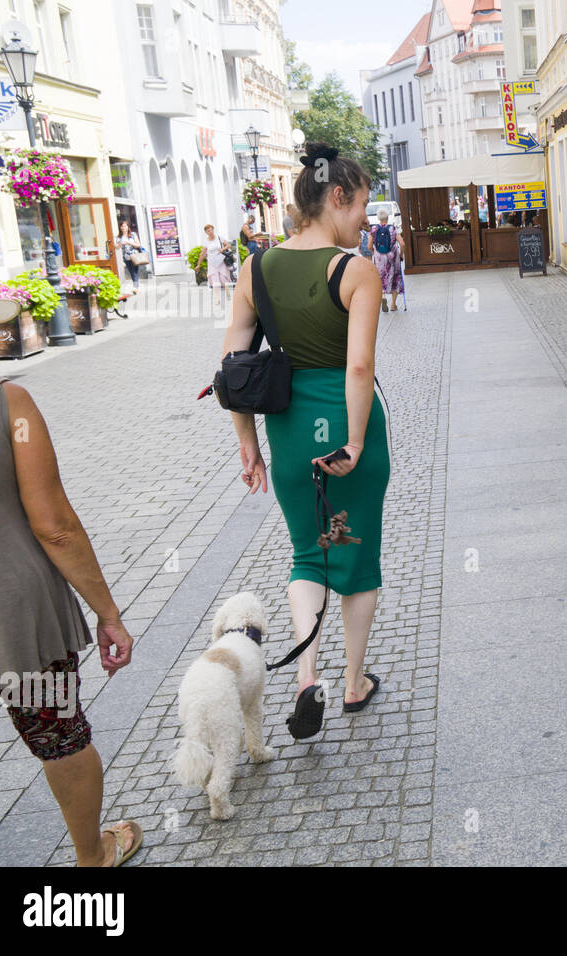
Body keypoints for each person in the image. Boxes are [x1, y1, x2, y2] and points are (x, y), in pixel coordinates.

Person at [220, 141, 389, 741]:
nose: (366, 220)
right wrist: (357, 443)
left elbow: (234, 365)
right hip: (344, 426)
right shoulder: (355, 270)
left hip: (289, 431)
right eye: (362, 205)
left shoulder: (254, 269)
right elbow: (359, 369)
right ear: (336, 197)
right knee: (354, 553)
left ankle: (305, 677)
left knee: (307, 553)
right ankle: (353, 682)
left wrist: (249, 443)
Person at [0, 368, 140, 866]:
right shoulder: (5, 402)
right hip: (11, 607)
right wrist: (107, 613)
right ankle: (93, 857)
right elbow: (55, 527)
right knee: (57, 733)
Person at [370, 208, 403, 312]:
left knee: (380, 278)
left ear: (378, 218)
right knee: (395, 278)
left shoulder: (374, 229)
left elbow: (368, 245)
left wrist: (374, 253)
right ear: (388, 217)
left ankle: (383, 297)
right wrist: (401, 255)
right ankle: (393, 305)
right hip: (392, 257)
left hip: (379, 258)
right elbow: (402, 243)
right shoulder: (393, 229)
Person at [203, 224, 232, 309]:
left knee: (223, 278)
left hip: (221, 260)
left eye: (211, 230)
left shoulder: (219, 237)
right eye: (208, 230)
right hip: (212, 262)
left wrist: (222, 249)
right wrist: (198, 264)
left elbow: (228, 245)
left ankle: (228, 294)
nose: (210, 232)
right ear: (206, 232)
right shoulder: (205, 241)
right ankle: (217, 299)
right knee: (215, 280)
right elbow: (203, 252)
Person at [116, 220, 145, 292]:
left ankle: (135, 287)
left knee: (134, 271)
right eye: (122, 226)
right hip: (126, 257)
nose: (123, 228)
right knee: (132, 271)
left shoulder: (133, 234)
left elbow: (138, 244)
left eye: (125, 226)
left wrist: (128, 242)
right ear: (120, 227)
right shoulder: (119, 237)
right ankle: (136, 286)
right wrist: (121, 244)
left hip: (134, 255)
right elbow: (116, 247)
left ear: (128, 227)